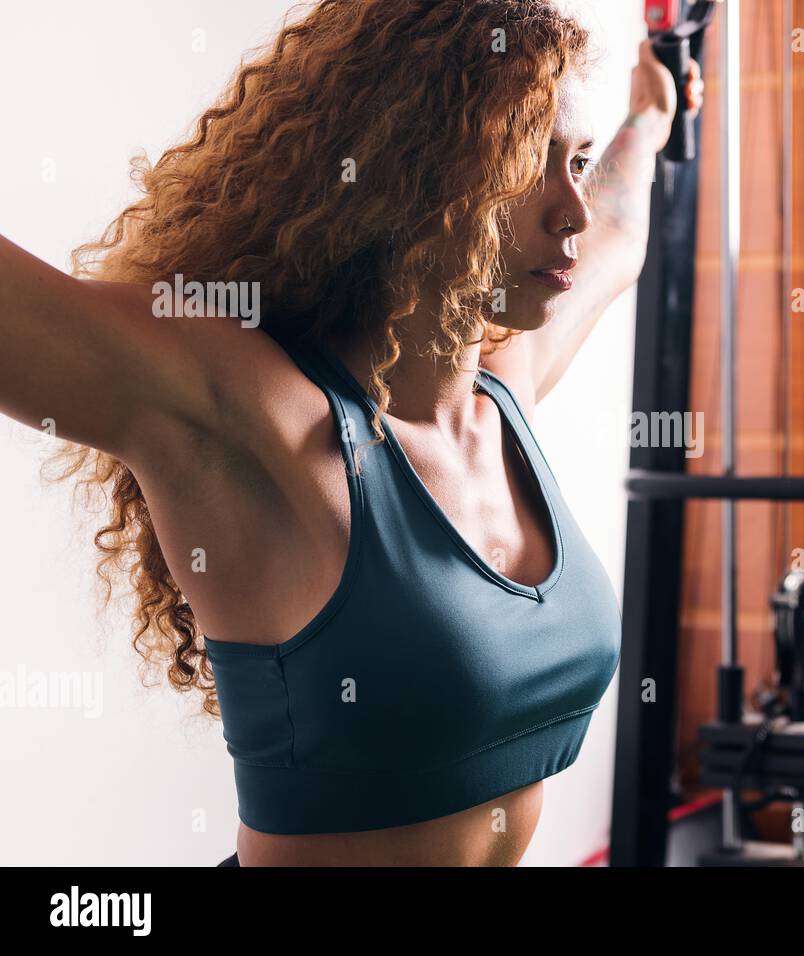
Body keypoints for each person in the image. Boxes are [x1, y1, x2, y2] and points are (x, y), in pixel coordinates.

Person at [0, 0, 702, 866]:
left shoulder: (501, 387)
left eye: (577, 164)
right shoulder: (258, 420)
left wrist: (653, 113)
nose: (573, 213)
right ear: (416, 172)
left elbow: (623, 225)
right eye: (530, 165)